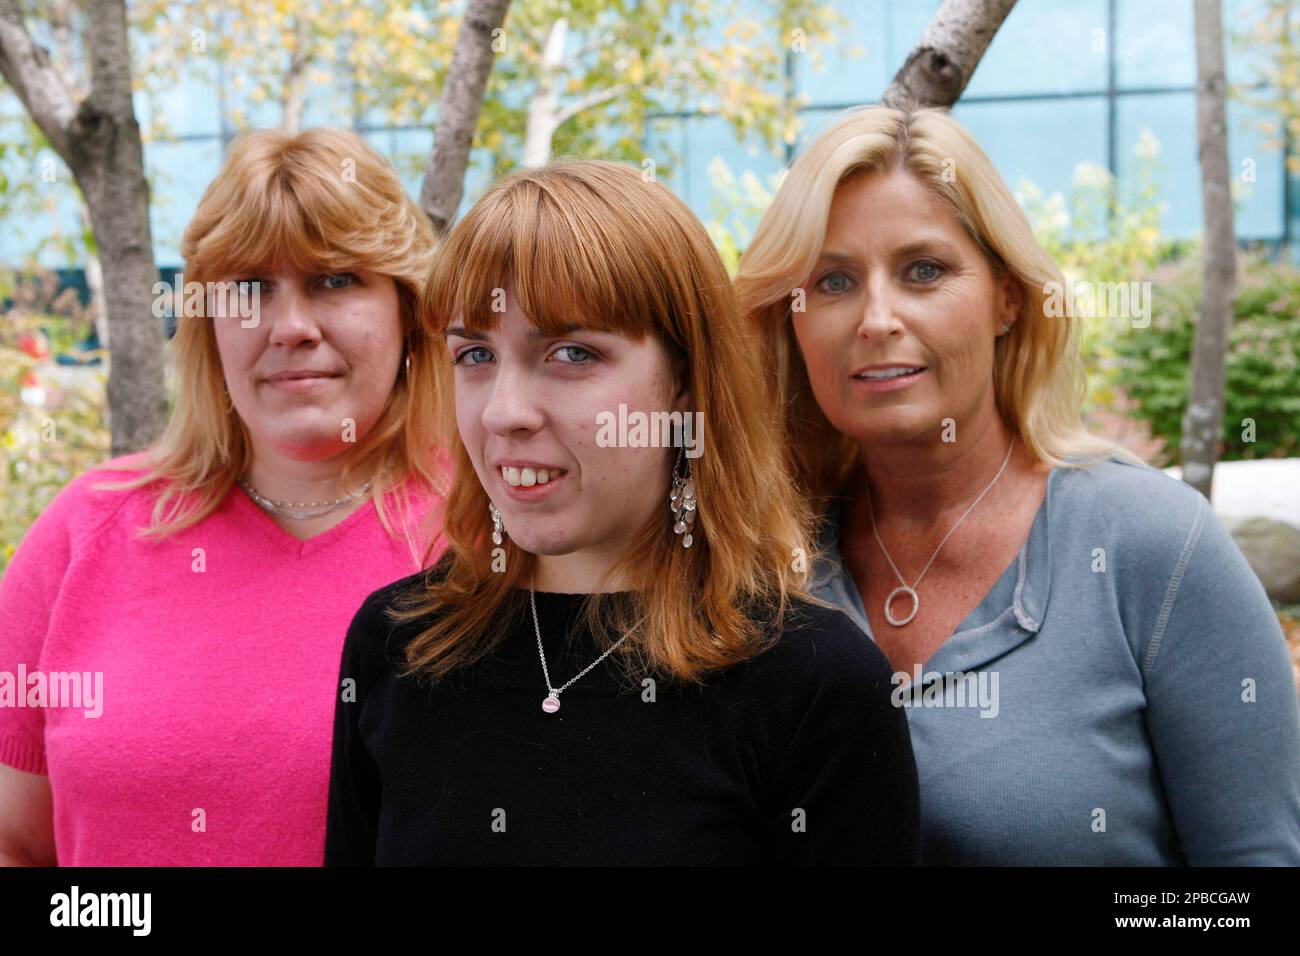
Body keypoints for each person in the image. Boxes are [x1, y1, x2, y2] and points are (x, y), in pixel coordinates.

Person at [734, 104, 1300, 865]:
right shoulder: (759, 566)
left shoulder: (1153, 544)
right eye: (833, 280)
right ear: (790, 320)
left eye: (923, 270)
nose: (876, 318)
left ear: (1008, 297)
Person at [324, 158, 920, 865]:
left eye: (572, 353)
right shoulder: (398, 646)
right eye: (475, 355)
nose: (506, 413)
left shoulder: (814, 683)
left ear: (686, 384)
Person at [0, 128, 449, 866]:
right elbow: (15, 841)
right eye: (249, 288)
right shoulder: (88, 529)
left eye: (334, 279)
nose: (292, 327)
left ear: (406, 310)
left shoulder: (496, 531)